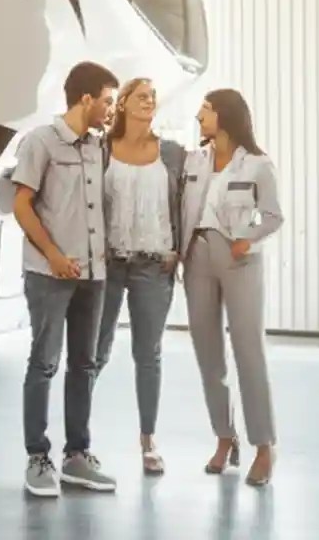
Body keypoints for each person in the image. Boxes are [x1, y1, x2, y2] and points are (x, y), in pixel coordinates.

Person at [11, 60, 120, 497]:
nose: (112, 110)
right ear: (86, 99)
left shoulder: (98, 148)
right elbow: (22, 205)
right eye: (108, 101)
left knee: (84, 364)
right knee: (44, 364)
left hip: (93, 275)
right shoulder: (41, 142)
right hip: (49, 275)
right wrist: (53, 255)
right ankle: (37, 457)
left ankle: (77, 456)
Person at [180, 88, 283, 487]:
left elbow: (274, 216)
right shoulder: (194, 161)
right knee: (209, 357)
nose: (199, 116)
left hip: (240, 260)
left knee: (248, 353)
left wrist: (249, 238)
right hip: (197, 258)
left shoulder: (258, 164)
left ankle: (264, 446)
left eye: (204, 110)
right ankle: (225, 438)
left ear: (224, 115)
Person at [93, 77, 186, 475]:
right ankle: (77, 440)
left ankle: (148, 440)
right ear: (125, 103)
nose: (150, 101)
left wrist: (179, 247)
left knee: (147, 354)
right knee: (95, 352)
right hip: (109, 263)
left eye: (153, 96)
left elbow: (189, 199)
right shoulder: (101, 151)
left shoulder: (172, 153)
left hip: (154, 263)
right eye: (142, 95)